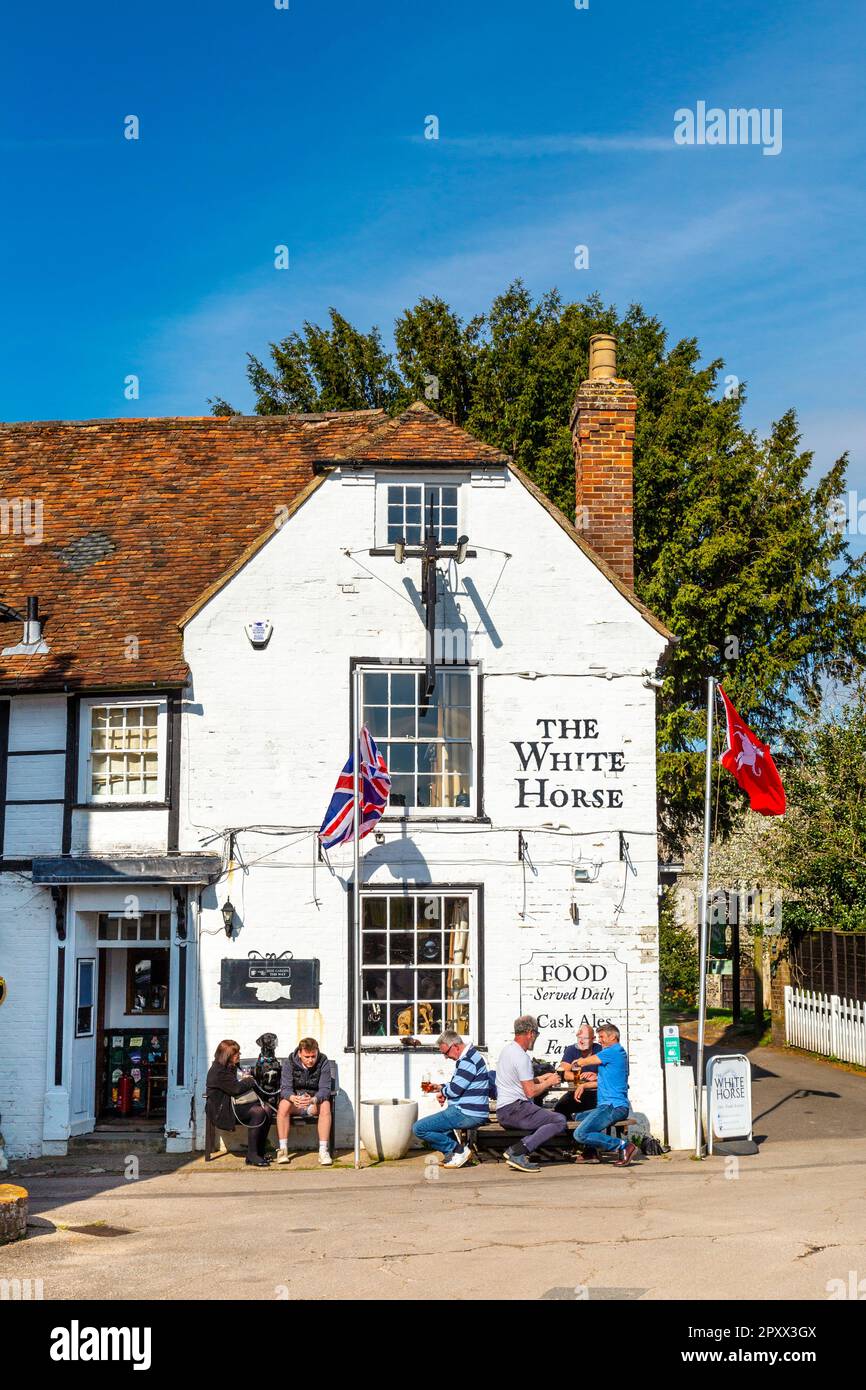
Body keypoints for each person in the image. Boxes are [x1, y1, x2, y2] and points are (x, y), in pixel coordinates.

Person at [495, 1015, 566, 1173]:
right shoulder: (522, 1057)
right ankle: (518, 1152)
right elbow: (530, 1092)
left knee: (548, 1119)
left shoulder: (508, 1050)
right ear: (530, 1033)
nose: (535, 1038)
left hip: (504, 1110)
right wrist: (549, 1082)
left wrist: (540, 1078)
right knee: (559, 1120)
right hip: (516, 1109)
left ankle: (516, 1151)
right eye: (536, 1034)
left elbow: (518, 1081)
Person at [412, 1030, 490, 1169]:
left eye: (445, 1052)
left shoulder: (468, 1060)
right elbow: (459, 1085)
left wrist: (443, 1091)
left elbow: (455, 1090)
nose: (446, 1057)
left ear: (455, 1046)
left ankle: (459, 1151)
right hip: (467, 1110)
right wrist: (441, 1088)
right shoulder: (470, 1057)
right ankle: (453, 1155)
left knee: (419, 1128)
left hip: (467, 1112)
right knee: (438, 1126)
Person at [570, 1023, 637, 1166]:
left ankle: (624, 1146)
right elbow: (604, 1080)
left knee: (580, 1134)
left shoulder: (612, 1051)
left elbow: (586, 1061)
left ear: (613, 1036)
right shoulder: (617, 1053)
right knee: (577, 1117)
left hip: (612, 1107)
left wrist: (576, 1063)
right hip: (609, 1106)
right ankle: (591, 1152)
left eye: (601, 1037)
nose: (599, 1040)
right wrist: (584, 1085)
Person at [206, 1039, 273, 1167]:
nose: (239, 1055)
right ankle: (251, 1155)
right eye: (236, 1053)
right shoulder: (218, 1071)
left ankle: (259, 1152)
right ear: (227, 1056)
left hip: (235, 1104)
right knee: (258, 1112)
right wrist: (250, 1081)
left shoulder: (231, 1067)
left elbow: (237, 1087)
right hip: (223, 1109)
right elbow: (235, 1089)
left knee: (268, 1111)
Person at [276, 1037, 335, 1166]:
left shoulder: (323, 1061)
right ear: (299, 1053)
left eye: (313, 1056)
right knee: (283, 1104)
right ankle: (283, 1150)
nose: (310, 1060)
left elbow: (325, 1089)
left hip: (314, 1102)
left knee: (326, 1104)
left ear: (317, 1052)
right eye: (306, 1056)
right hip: (295, 1103)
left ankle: (323, 1151)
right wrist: (293, 1098)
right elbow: (285, 1089)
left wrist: (314, 1099)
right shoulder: (290, 1062)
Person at [555, 1023, 601, 1160]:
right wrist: (579, 1076)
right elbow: (562, 1072)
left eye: (585, 1038)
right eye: (579, 1037)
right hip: (575, 1092)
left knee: (592, 1112)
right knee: (560, 1108)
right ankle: (575, 1142)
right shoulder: (571, 1050)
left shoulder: (600, 1050)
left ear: (593, 1039)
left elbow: (608, 1072)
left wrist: (597, 1076)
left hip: (595, 1093)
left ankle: (590, 1148)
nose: (581, 1041)